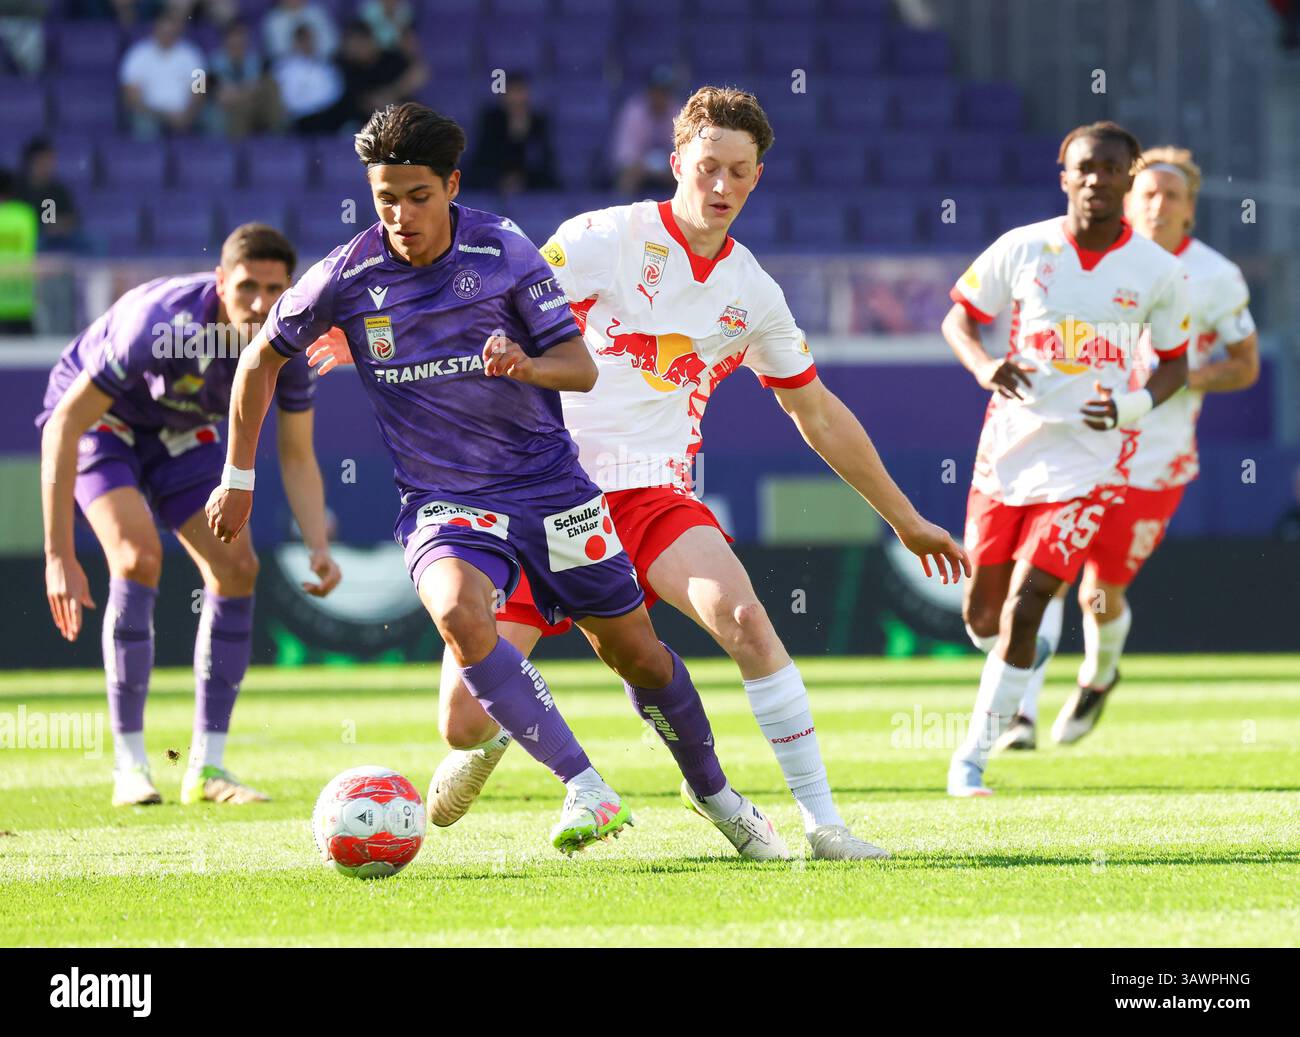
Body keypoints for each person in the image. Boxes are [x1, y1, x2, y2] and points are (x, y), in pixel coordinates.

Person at [314, 87, 969, 860]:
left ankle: (822, 823)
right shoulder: (602, 239)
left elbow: (817, 413)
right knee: (460, 718)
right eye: (706, 168)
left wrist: (903, 515)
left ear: (758, 178)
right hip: (537, 486)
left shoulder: (752, 293)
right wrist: (369, 322)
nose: (720, 187)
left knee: (745, 620)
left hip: (652, 490)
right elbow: (490, 299)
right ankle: (489, 737)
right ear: (675, 165)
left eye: (738, 172)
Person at [207, 102, 787, 859]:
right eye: (386, 198)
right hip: (445, 503)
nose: (402, 215)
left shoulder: (506, 251)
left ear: (450, 186)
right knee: (455, 618)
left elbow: (579, 367)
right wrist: (238, 475)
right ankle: (584, 782)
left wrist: (525, 365)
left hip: (555, 494)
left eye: (418, 196)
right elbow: (261, 358)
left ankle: (718, 796)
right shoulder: (347, 274)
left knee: (637, 655)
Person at [38, 224, 341, 808]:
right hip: (105, 426)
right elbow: (65, 424)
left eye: (275, 290)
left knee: (237, 568)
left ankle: (207, 769)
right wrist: (58, 553)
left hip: (181, 434)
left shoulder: (288, 343)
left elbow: (297, 453)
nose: (259, 304)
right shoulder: (159, 322)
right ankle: (130, 766)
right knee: (137, 556)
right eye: (247, 287)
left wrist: (317, 544)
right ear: (221, 281)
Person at [943, 120, 1190, 797]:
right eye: (1084, 168)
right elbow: (958, 317)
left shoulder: (1157, 272)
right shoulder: (1023, 247)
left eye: (1112, 169)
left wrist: (1132, 407)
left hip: (1096, 458)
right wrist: (985, 364)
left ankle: (972, 756)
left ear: (1129, 178)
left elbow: (1174, 364)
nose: (1096, 180)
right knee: (982, 616)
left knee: (1028, 606)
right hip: (1011, 447)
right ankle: (1019, 660)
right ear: (1064, 176)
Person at [996, 145, 1260, 749]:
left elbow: (1245, 365)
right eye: (1148, 193)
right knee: (1046, 577)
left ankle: (1100, 674)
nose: (1158, 205)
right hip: (1078, 448)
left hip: (1153, 463)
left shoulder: (1216, 276)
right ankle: (1021, 714)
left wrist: (1170, 380)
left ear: (1190, 210)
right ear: (1127, 201)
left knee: (1099, 591)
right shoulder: (1076, 257)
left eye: (1172, 196)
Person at [467, 72, 559, 196]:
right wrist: (503, 178)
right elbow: (484, 155)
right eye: (511, 92)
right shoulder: (491, 119)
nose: (516, 98)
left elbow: (543, 159)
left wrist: (521, 178)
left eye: (520, 91)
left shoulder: (538, 122)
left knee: (550, 184)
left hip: (529, 179)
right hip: (494, 177)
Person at [119, 13, 207, 139]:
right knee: (145, 126)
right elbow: (131, 97)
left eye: (171, 32)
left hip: (185, 113)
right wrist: (164, 115)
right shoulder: (137, 54)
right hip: (149, 113)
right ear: (155, 30)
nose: (167, 35)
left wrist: (188, 114)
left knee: (209, 120)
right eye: (163, 31)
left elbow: (199, 91)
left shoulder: (192, 54)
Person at [334, 19, 427, 130]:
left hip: (401, 116)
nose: (353, 49)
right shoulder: (347, 69)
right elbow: (365, 102)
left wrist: (392, 93)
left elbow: (419, 73)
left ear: (369, 40)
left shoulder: (390, 58)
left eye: (358, 43)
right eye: (350, 44)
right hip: (366, 124)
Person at [209, 19, 284, 137]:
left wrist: (240, 92)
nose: (238, 43)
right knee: (241, 108)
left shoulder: (258, 61)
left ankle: (276, 137)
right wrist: (248, 90)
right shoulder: (213, 64)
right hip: (231, 110)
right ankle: (237, 150)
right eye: (234, 41)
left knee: (271, 84)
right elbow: (222, 97)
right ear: (225, 41)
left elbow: (266, 88)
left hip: (259, 107)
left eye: (241, 40)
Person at [612, 68, 679, 196]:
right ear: (649, 92)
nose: (661, 96)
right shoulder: (633, 111)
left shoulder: (678, 110)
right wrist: (645, 166)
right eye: (657, 91)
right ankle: (624, 212)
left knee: (685, 177)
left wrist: (667, 166)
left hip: (670, 166)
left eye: (665, 92)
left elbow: (684, 153)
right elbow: (625, 157)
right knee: (627, 176)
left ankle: (682, 215)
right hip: (638, 166)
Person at [273, 23, 344, 134]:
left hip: (325, 115)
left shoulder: (326, 67)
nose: (308, 44)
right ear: (296, 42)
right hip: (297, 119)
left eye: (310, 39)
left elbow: (334, 94)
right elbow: (287, 100)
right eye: (304, 40)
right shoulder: (283, 69)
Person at [263, 0, 337, 61]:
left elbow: (330, 45)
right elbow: (276, 52)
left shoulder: (317, 14)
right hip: (287, 67)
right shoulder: (273, 20)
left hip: (319, 64)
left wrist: (312, 51)